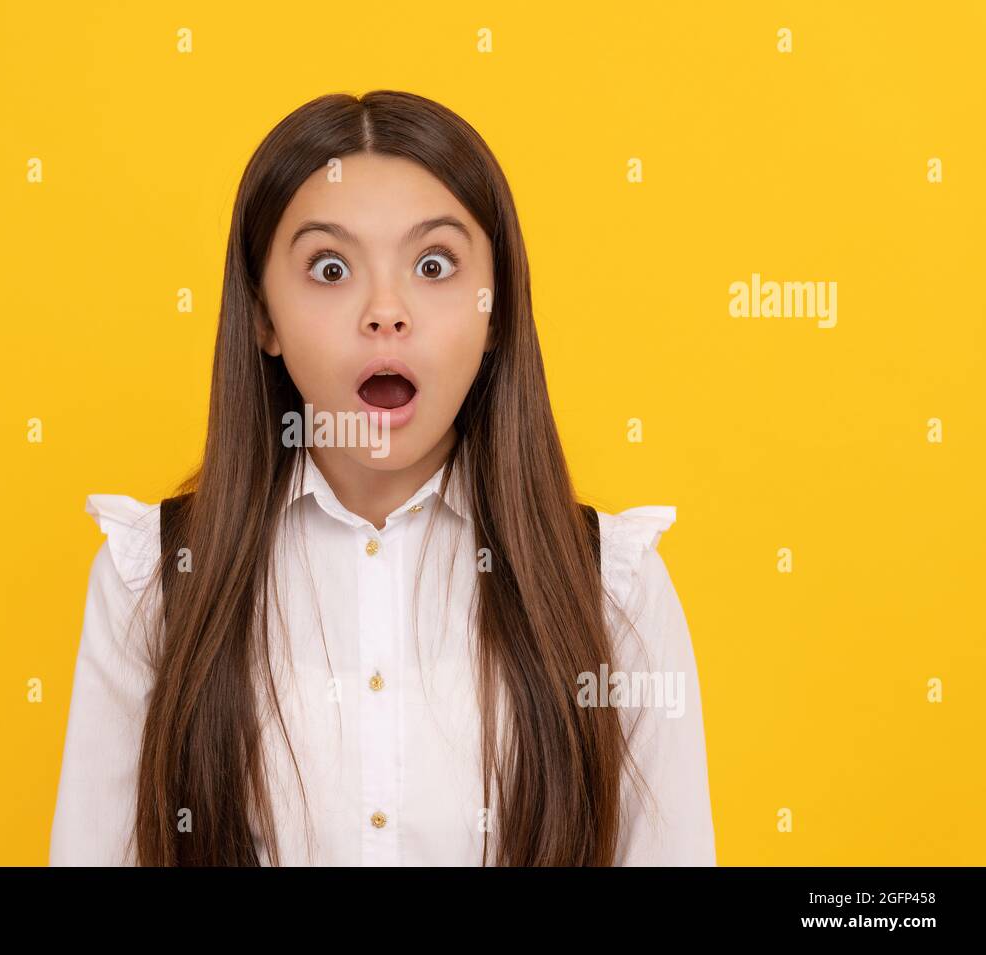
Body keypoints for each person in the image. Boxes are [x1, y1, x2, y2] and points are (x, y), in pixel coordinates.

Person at [49, 90, 716, 866]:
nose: (384, 312)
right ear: (262, 316)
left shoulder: (613, 590)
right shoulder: (151, 581)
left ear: (494, 308)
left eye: (434, 265)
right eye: (329, 268)